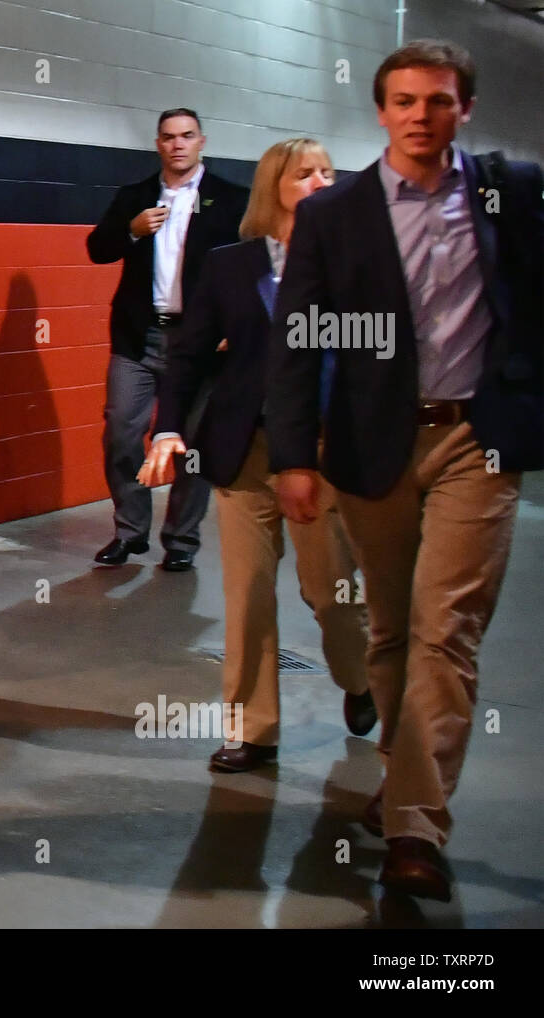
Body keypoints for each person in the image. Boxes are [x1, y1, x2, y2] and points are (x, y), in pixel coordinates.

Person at [266, 39, 543, 901]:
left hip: (475, 442)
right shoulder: (335, 213)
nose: (422, 116)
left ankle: (417, 825)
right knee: (388, 631)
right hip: (370, 441)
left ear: (465, 108)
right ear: (382, 111)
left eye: (440, 100)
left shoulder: (509, 192)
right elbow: (297, 337)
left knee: (445, 630)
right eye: (406, 101)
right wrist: (292, 455)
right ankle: (403, 774)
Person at [139, 138, 376, 774]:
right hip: (244, 449)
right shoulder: (230, 265)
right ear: (276, 187)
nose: (322, 182)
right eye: (306, 174)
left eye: (328, 172)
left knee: (330, 594)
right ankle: (253, 729)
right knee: (246, 595)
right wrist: (167, 429)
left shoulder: (353, 262)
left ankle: (361, 677)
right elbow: (189, 356)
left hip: (321, 453)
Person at [86, 109, 248, 571]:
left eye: (187, 136)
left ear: (201, 141)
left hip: (201, 343)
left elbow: (249, 267)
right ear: (158, 143)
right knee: (121, 433)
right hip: (139, 336)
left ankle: (181, 539)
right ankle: (129, 531)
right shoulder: (135, 197)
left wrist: (233, 326)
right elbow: (97, 249)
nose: (178, 144)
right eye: (169, 137)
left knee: (191, 445)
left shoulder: (232, 199)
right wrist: (130, 231)